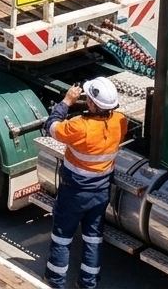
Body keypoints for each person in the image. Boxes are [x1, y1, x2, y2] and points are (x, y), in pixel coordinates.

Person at [44, 77, 128, 289]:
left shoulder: (79, 126)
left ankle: (55, 280)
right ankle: (88, 283)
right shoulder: (120, 122)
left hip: (74, 193)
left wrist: (67, 101)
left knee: (62, 236)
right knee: (93, 238)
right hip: (100, 193)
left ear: (91, 103)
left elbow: (51, 127)